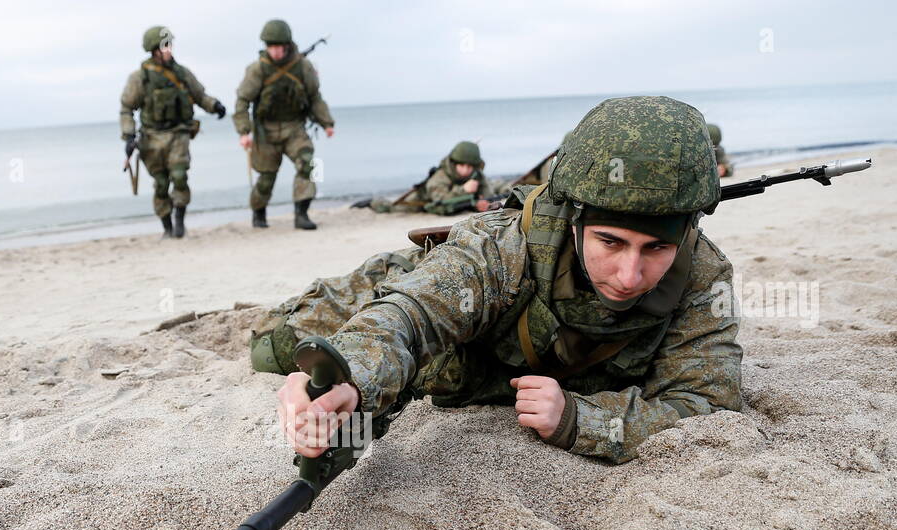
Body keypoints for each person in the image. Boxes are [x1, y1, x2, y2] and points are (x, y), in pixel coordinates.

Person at [252, 96, 743, 465]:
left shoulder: (703, 275)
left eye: (656, 248)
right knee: (270, 348)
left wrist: (579, 419)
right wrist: (350, 379)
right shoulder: (502, 247)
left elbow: (704, 403)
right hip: (415, 288)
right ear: (574, 222)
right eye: (610, 242)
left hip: (483, 371)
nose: (631, 275)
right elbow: (412, 316)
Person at [119, 26, 227, 238]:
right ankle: (166, 226)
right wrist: (129, 136)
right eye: (164, 45)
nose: (169, 49)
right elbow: (126, 109)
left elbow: (200, 95)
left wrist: (215, 106)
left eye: (169, 44)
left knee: (179, 176)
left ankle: (179, 222)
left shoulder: (182, 73)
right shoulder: (140, 78)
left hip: (178, 134)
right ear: (154, 50)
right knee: (161, 184)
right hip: (152, 137)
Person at [233, 19, 335, 230]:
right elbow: (242, 100)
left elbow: (315, 97)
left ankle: (302, 213)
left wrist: (326, 122)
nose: (276, 51)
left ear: (287, 45)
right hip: (265, 130)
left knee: (309, 163)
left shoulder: (303, 67)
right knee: (267, 176)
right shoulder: (257, 69)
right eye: (271, 46)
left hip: (294, 127)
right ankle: (258, 213)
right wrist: (244, 131)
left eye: (279, 46)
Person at [369, 141, 513, 214]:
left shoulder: (476, 174)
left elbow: (488, 193)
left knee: (498, 185)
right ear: (454, 163)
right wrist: (464, 190)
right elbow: (441, 201)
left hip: (456, 200)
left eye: (470, 166)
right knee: (392, 208)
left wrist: (483, 203)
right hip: (421, 201)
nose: (466, 170)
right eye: (462, 165)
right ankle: (371, 202)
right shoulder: (440, 176)